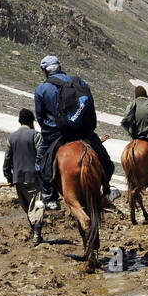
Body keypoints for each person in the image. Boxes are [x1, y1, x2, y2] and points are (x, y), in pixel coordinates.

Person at [34, 54, 117, 207]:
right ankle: (107, 189)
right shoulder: (79, 82)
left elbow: (40, 116)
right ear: (60, 66)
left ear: (45, 71)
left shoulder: (41, 89)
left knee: (39, 163)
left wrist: (49, 130)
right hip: (82, 131)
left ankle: (48, 197)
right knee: (104, 160)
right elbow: (89, 104)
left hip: (57, 134)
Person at [3, 108, 44, 245]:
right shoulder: (36, 135)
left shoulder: (11, 137)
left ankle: (35, 234)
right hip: (34, 177)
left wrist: (9, 177)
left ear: (20, 121)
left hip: (18, 178)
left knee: (27, 207)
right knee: (36, 206)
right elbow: (41, 156)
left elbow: (7, 160)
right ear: (32, 121)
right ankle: (37, 234)